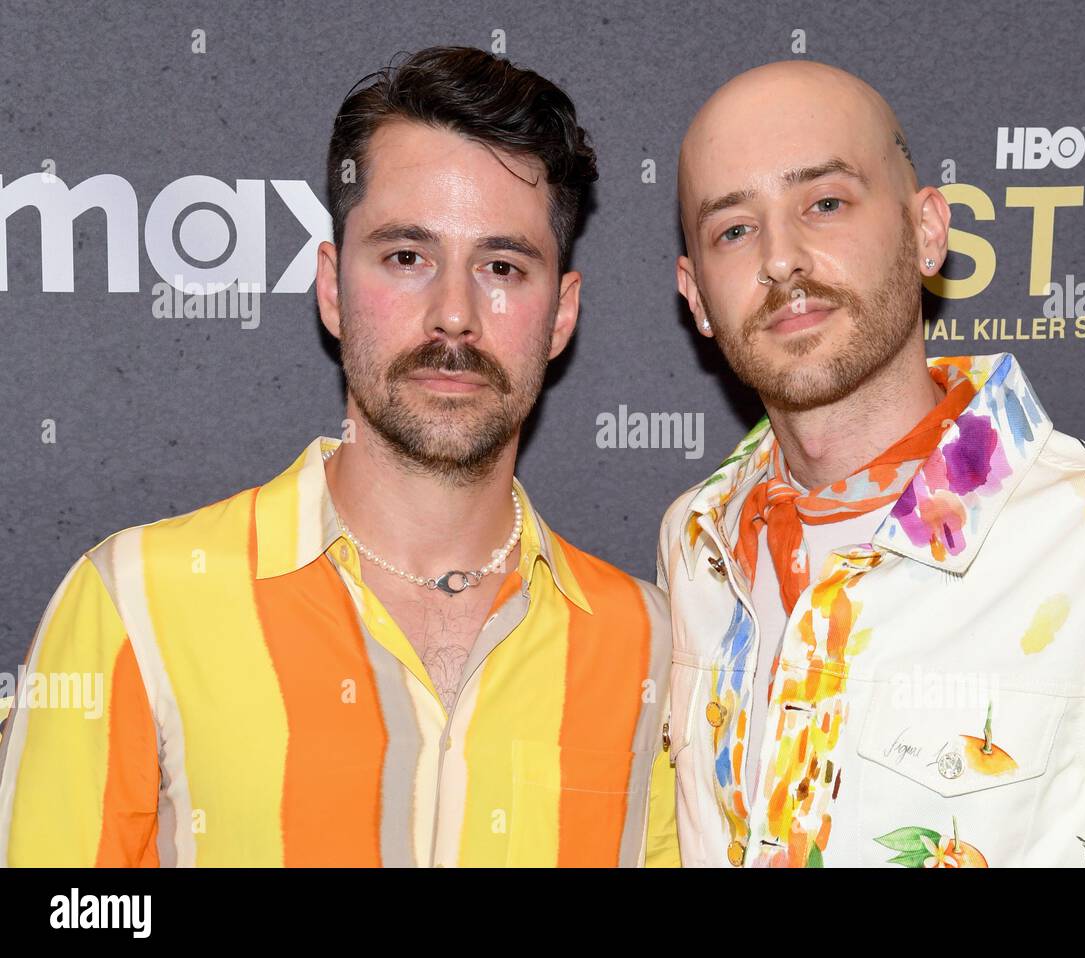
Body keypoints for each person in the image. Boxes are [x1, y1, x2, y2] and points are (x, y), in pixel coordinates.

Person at [0, 45, 677, 868]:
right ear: (330, 287)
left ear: (561, 313)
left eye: (502, 265)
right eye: (406, 257)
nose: (453, 315)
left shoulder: (655, 647)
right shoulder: (134, 603)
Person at [658, 59, 1085, 867]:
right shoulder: (696, 543)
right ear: (696, 294)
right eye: (733, 228)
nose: (782, 258)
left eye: (826, 203)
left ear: (927, 232)